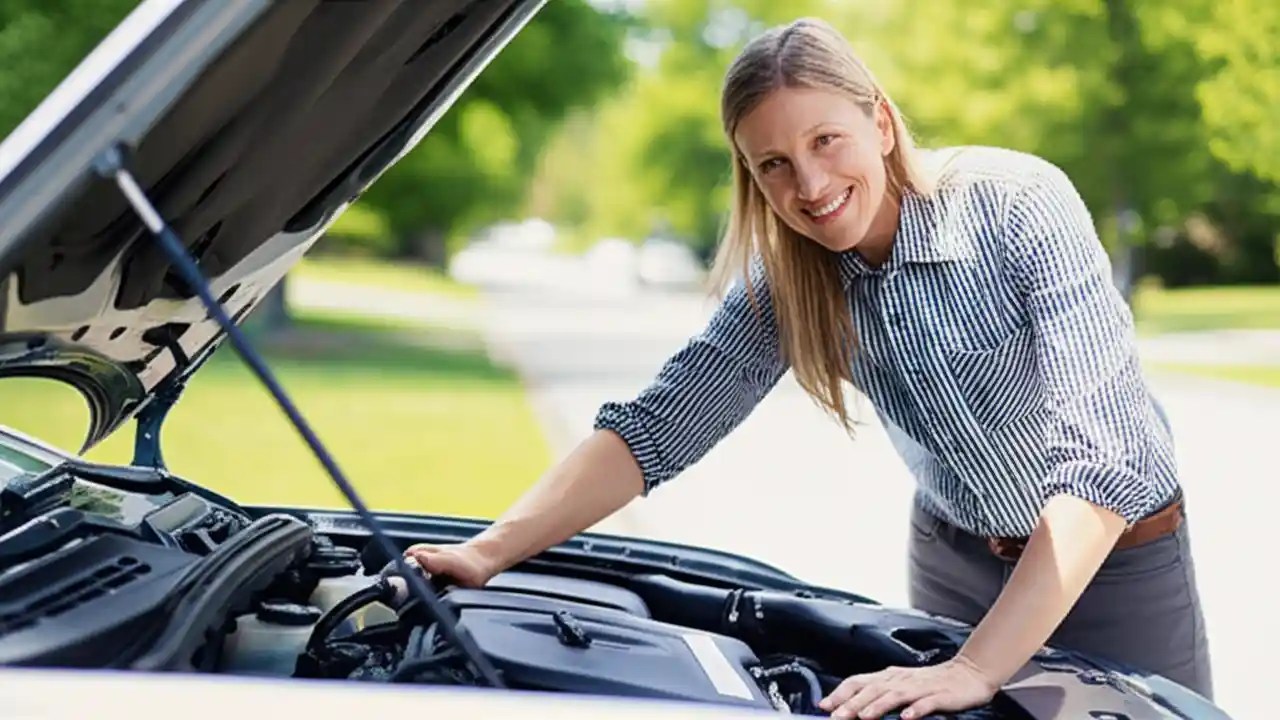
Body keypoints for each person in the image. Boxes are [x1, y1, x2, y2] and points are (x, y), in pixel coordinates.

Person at [404, 16, 1213, 720]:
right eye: (775, 165)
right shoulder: (787, 286)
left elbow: (1102, 467)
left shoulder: (1018, 205)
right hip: (956, 561)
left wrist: (976, 666)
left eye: (826, 141)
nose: (811, 185)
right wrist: (488, 551)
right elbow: (653, 431)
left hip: (1116, 563)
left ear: (882, 124)